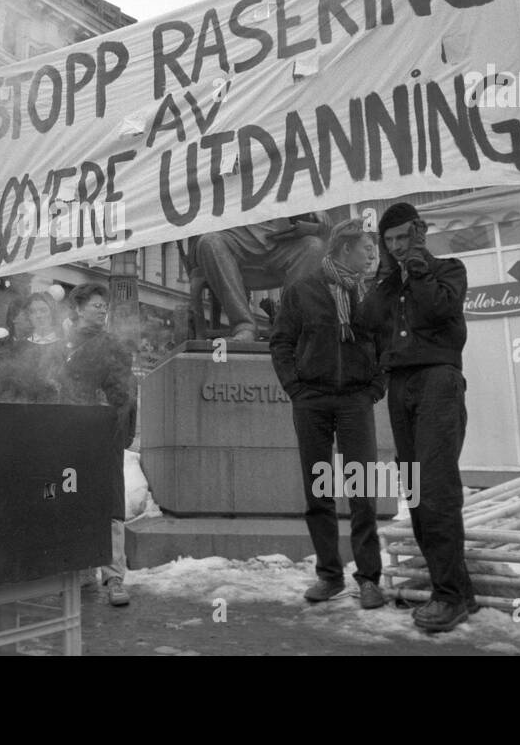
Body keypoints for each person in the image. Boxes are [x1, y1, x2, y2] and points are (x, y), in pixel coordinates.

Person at [357, 202, 474, 632]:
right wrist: (389, 275)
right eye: (389, 241)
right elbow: (366, 320)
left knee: (438, 485)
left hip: (439, 380)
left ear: (420, 233)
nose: (397, 246)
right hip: (400, 384)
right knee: (418, 490)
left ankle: (448, 597)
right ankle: (458, 589)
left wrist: (419, 266)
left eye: (404, 237)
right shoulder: (390, 282)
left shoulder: (449, 270)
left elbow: (438, 311)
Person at [270, 219, 386, 609]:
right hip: (312, 401)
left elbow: (385, 344)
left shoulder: (371, 294)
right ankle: (329, 575)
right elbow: (281, 342)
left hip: (356, 399)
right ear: (342, 249)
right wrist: (295, 387)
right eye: (366, 248)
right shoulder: (302, 291)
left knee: (363, 491)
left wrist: (375, 386)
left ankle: (369, 578)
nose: (372, 254)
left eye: (373, 249)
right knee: (320, 492)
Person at [59, 282, 136, 607]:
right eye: (95, 305)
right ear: (77, 308)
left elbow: (123, 392)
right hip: (66, 433)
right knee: (73, 498)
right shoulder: (60, 345)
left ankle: (114, 575)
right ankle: (80, 568)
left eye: (104, 306)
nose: (102, 310)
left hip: (104, 433)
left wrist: (110, 417)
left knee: (109, 502)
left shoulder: (114, 345)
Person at [192, 213, 330, 341]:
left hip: (279, 242)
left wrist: (313, 209)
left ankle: (288, 326)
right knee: (209, 242)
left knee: (314, 247)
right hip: (230, 242)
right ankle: (244, 325)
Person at [0, 293, 63, 402]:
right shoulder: (15, 348)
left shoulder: (65, 347)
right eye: (33, 312)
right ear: (28, 316)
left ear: (52, 312)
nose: (39, 315)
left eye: (43, 310)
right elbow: (3, 387)